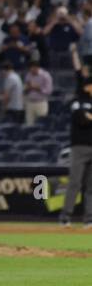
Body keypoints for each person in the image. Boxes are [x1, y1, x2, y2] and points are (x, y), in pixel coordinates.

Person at [59, 54, 92, 228]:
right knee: (75, 183)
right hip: (79, 147)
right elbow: (81, 120)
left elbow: (88, 118)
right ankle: (65, 216)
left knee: (90, 187)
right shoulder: (78, 101)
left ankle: (89, 219)